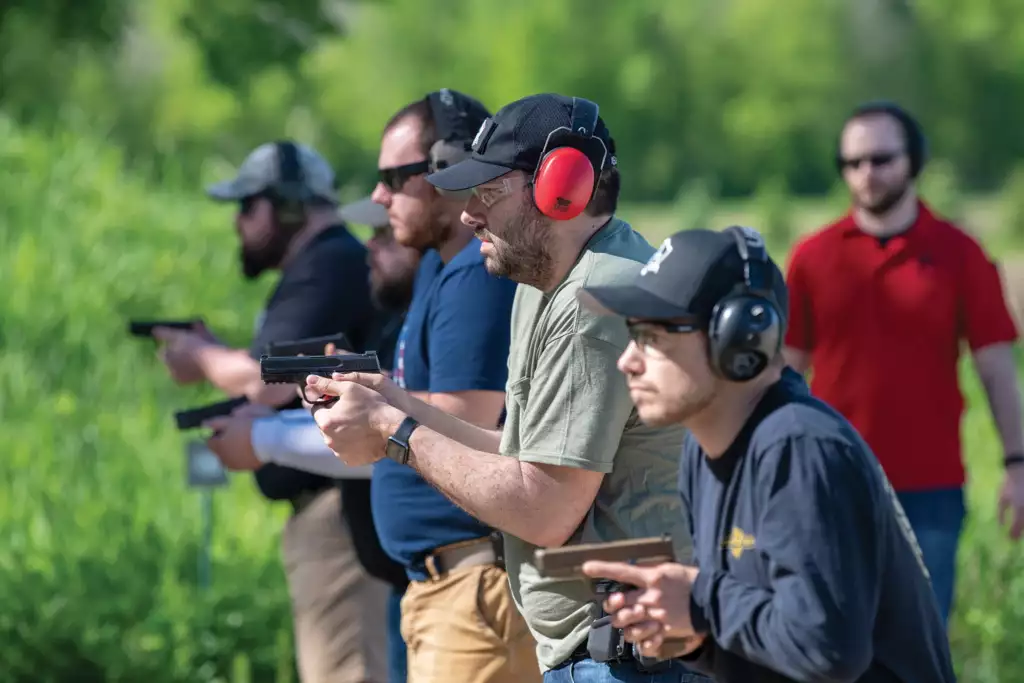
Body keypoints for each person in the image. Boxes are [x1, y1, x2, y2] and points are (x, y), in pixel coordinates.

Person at [305, 93, 706, 683]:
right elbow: (522, 451)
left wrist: (394, 433)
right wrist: (395, 401)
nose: (469, 214)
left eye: (488, 192)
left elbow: (543, 507)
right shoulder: (544, 286)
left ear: (560, 187)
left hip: (632, 659)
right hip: (608, 649)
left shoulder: (592, 302)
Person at [574, 225, 957, 682]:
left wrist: (700, 601)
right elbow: (768, 641)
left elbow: (828, 648)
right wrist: (695, 635)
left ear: (738, 339)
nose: (628, 360)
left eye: (653, 339)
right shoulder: (705, 447)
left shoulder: (798, 448)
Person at [782, 100, 1024, 626]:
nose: (866, 173)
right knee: (831, 645)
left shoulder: (961, 253)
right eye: (853, 163)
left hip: (930, 489)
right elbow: (783, 373)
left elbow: (996, 368)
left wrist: (1017, 464)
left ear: (914, 161)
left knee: (919, 644)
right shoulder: (813, 257)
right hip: (830, 482)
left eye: (881, 159)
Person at [153, 142, 387, 683]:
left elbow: (268, 380)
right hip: (337, 503)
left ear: (285, 206)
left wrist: (202, 359)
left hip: (338, 510)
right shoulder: (327, 263)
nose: (238, 222)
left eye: (246, 206)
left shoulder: (326, 264)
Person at [205, 195, 420, 683]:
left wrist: (265, 437)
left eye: (389, 236)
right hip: (400, 557)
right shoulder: (399, 311)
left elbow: (400, 437)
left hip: (382, 536)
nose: (373, 248)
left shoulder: (389, 297)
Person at [362, 88, 537, 683]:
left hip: (470, 589)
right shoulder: (442, 267)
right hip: (446, 588)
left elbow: (473, 417)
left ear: (446, 171)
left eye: (395, 176)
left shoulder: (473, 279)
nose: (378, 195)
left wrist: (374, 404)